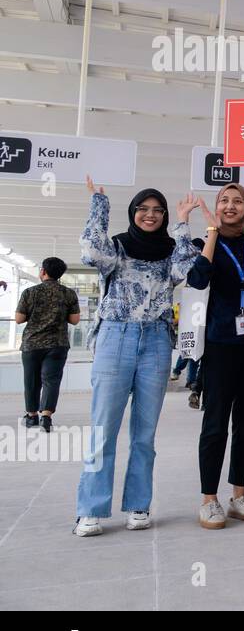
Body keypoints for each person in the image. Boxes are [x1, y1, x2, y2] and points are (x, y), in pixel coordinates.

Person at [75, 178, 203, 537]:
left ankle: (138, 504)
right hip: (116, 336)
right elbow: (90, 252)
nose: (150, 215)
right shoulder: (116, 247)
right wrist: (99, 203)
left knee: (144, 435)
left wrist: (181, 222)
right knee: (104, 430)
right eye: (143, 209)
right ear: (133, 212)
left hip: (157, 342)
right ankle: (90, 509)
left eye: (157, 210)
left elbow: (188, 269)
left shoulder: (169, 249)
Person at [189, 172, 244, 530]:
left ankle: (238, 494)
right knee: (215, 425)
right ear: (216, 208)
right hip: (221, 343)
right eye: (224, 201)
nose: (230, 206)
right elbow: (198, 280)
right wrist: (211, 233)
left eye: (237, 201)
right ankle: (209, 499)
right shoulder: (206, 242)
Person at [17, 257, 81, 432]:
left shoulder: (30, 292)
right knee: (51, 380)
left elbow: (19, 319)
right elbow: (75, 320)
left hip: (32, 344)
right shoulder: (68, 293)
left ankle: (31, 417)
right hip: (57, 344)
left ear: (43, 271)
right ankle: (46, 416)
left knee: (31, 380)